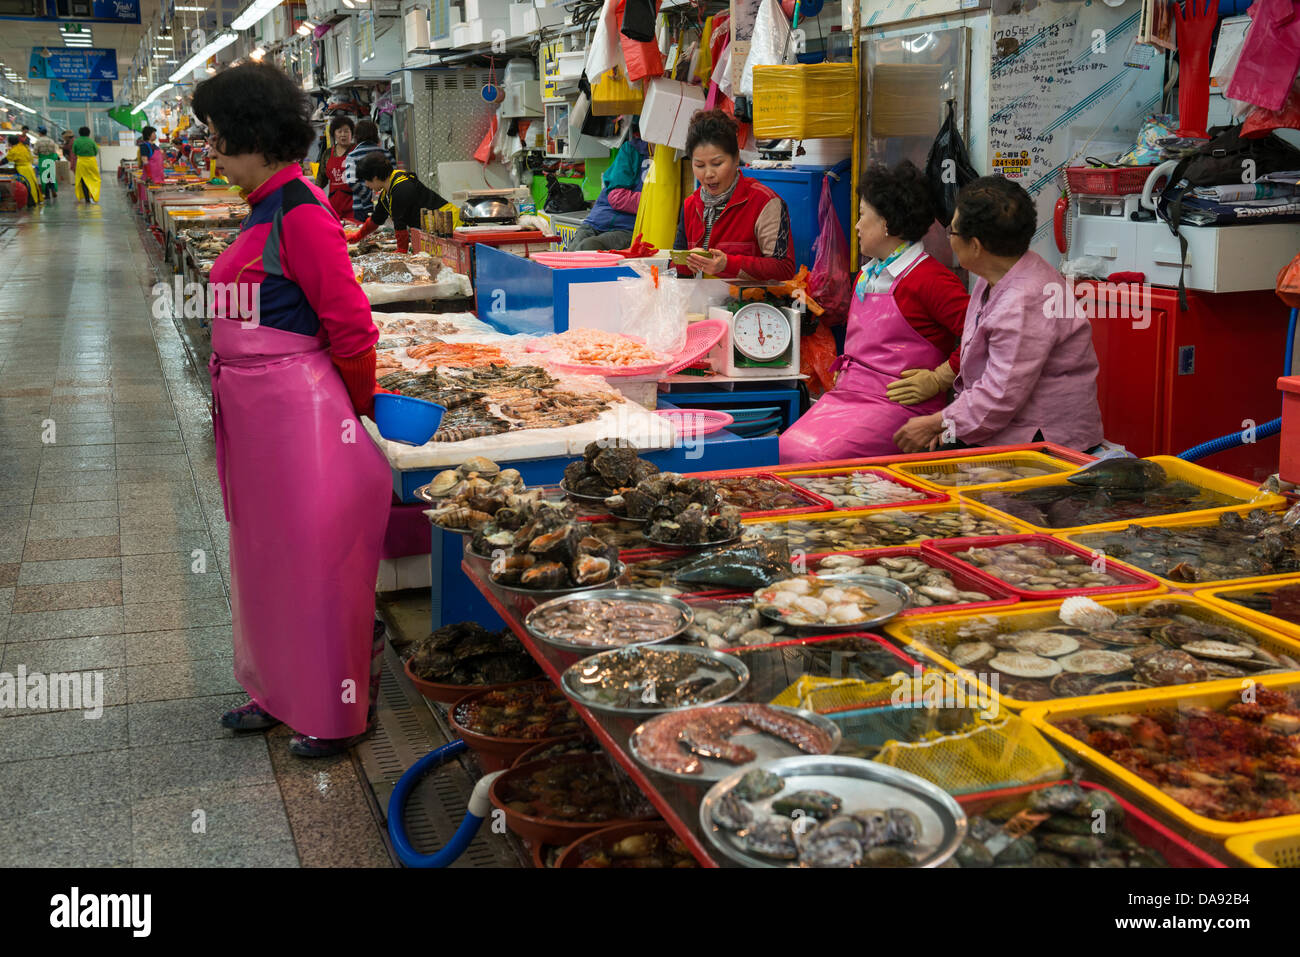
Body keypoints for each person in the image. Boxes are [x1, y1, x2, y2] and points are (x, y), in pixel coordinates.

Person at [191, 62, 391, 758]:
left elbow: (353, 326)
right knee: (266, 559)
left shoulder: (303, 213)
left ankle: (340, 713)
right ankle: (277, 690)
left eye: (219, 138)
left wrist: (356, 417)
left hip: (301, 418)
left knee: (318, 565)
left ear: (254, 135)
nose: (212, 151)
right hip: (256, 417)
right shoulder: (266, 207)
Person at [892, 176, 1104, 454]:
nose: (950, 239)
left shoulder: (1024, 301)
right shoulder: (995, 273)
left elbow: (999, 397)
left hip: (1043, 439)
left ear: (976, 246)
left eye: (952, 232)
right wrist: (948, 421)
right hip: (997, 421)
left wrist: (937, 423)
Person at [780, 161, 969, 462]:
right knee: (785, 447)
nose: (855, 225)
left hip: (901, 407)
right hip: (849, 398)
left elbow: (982, 333)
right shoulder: (868, 274)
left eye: (861, 215)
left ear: (887, 223)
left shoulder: (930, 279)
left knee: (813, 457)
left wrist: (940, 378)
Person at [673, 109, 796, 281]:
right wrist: (686, 262)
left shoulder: (765, 202)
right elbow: (676, 266)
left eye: (717, 163)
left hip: (749, 304)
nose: (708, 174)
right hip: (699, 303)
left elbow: (784, 268)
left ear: (736, 158)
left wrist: (728, 264)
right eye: (699, 165)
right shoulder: (690, 204)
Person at [345, 151, 447, 253]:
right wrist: (356, 237)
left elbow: (400, 228)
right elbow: (376, 219)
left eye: (366, 180)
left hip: (449, 226)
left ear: (375, 177)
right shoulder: (388, 190)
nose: (366, 185)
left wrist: (400, 253)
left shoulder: (400, 187)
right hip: (435, 232)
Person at [569, 127, 651, 251]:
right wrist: (651, 201)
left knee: (588, 247)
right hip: (595, 221)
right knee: (570, 255)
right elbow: (616, 197)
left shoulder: (674, 160)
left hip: (628, 229)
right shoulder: (632, 149)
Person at [343, 118, 388, 223]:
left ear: (356, 135)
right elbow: (393, 178)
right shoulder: (386, 154)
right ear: (375, 134)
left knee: (365, 236)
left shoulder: (352, 155)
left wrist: (366, 196)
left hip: (361, 207)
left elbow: (351, 181)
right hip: (385, 205)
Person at [314, 115, 356, 222]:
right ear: (334, 134)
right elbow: (320, 180)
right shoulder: (327, 154)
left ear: (351, 133)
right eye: (339, 131)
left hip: (355, 207)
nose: (343, 135)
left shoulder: (357, 151)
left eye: (346, 131)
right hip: (334, 207)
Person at [6, 135, 42, 208]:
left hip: (23, 169)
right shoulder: (24, 147)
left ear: (11, 142)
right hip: (29, 168)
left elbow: (7, 159)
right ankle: (36, 200)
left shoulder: (14, 150)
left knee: (26, 185)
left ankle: (30, 202)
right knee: (33, 185)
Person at [72, 127, 100, 203]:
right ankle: (94, 195)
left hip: (81, 162)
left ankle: (87, 198)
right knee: (94, 179)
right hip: (91, 162)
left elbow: (74, 151)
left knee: (83, 180)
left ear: (79, 133)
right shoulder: (91, 141)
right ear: (89, 133)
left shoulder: (76, 141)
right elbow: (96, 152)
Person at [33, 126, 59, 202]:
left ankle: (47, 195)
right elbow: (54, 151)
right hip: (51, 160)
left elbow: (35, 152)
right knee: (51, 176)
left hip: (43, 160)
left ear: (40, 133)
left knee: (44, 178)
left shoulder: (38, 141)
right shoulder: (51, 141)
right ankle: (53, 189)